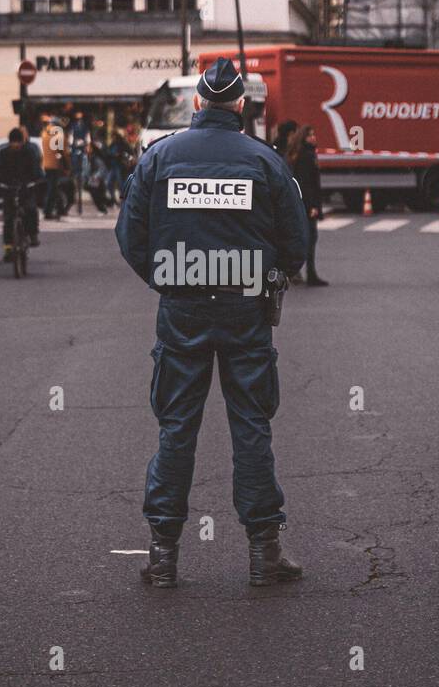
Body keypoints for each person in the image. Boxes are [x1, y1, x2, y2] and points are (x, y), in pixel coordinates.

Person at [116, 55, 309, 589]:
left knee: (176, 426)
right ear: (241, 106)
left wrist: (168, 276)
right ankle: (264, 552)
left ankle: (162, 554)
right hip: (246, 307)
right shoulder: (266, 161)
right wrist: (266, 275)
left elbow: (130, 237)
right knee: (251, 425)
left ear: (197, 103)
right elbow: (296, 242)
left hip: (182, 306)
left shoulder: (160, 157)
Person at [286, 125, 328, 287]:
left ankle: (302, 272)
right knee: (310, 239)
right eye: (310, 135)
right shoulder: (307, 155)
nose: (313, 137)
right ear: (303, 138)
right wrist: (312, 205)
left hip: (303, 203)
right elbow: (307, 183)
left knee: (306, 238)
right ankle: (309, 273)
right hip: (308, 204)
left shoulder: (300, 154)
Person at [0, 127, 42, 256]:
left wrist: (36, 180)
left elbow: (36, 169)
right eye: (13, 142)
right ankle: (8, 248)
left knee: (31, 209)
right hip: (9, 188)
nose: (16, 145)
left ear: (22, 142)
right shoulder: (3, 154)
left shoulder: (29, 152)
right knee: (8, 219)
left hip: (26, 187)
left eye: (18, 142)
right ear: (10, 142)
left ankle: (33, 234)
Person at [40, 116, 65, 219]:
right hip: (55, 164)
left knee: (52, 188)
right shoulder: (57, 133)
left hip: (45, 164)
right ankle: (48, 211)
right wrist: (65, 164)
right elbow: (60, 151)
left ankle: (59, 209)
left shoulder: (44, 133)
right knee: (52, 189)